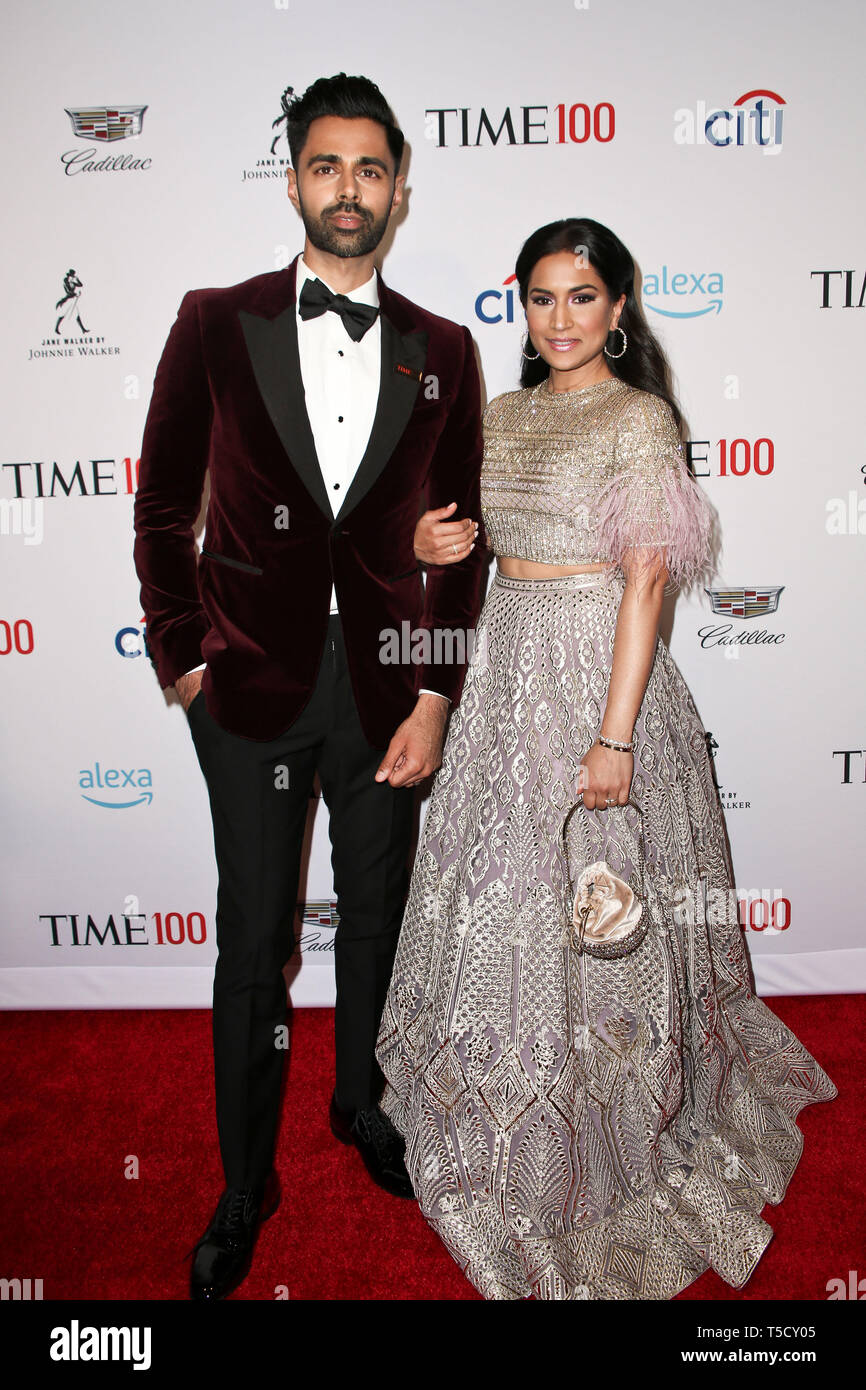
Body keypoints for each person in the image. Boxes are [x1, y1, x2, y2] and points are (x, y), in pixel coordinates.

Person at [377, 217, 838, 1301]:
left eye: (582, 297)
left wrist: (614, 733)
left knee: (605, 909)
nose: (561, 319)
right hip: (504, 670)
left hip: (599, 677)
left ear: (619, 307)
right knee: (508, 894)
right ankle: (504, 1096)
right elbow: (463, 543)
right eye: (542, 298)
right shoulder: (501, 413)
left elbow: (645, 582)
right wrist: (424, 541)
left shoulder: (640, 419)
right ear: (522, 306)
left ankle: (613, 1113)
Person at [132, 73, 487, 1301]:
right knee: (253, 941)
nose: (348, 189)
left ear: (398, 190)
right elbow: (162, 504)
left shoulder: (444, 349)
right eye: (326, 166)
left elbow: (462, 540)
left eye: (369, 169)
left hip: (387, 687)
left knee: (377, 909)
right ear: (292, 182)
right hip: (247, 680)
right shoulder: (214, 321)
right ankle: (245, 1181)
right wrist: (183, 654)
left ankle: (361, 1102)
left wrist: (434, 694)